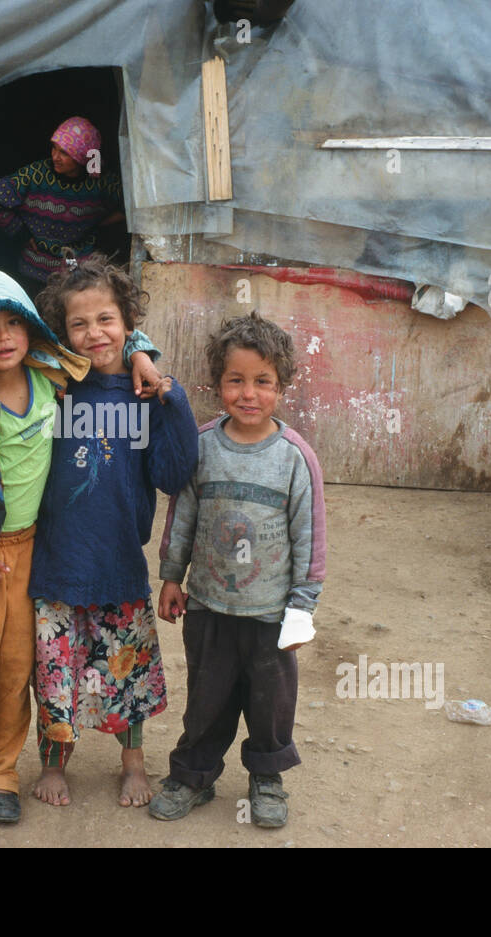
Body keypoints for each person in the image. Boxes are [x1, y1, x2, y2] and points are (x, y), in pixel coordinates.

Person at [0, 267, 158, 830]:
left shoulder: (51, 377)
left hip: (36, 555)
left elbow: (107, 340)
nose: (3, 338)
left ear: (30, 328)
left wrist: (144, 353)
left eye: (12, 324)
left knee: (18, 667)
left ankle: (1, 773)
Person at [28, 255, 198, 809]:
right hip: (57, 561)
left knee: (122, 669)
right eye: (79, 323)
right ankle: (56, 764)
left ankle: (133, 765)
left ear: (127, 324)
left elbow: (174, 474)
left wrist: (169, 395)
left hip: (119, 560)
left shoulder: (146, 394)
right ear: (62, 332)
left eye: (107, 319)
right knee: (56, 674)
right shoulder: (51, 384)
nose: (93, 332)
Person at [149, 310, 326, 829]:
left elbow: (309, 536)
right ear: (218, 383)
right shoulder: (202, 447)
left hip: (271, 612)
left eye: (262, 381)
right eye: (236, 380)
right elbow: (181, 517)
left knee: (270, 702)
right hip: (208, 603)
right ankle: (192, 775)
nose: (249, 394)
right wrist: (171, 577)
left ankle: (267, 777)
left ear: (282, 385)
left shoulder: (295, 459)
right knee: (206, 698)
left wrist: (302, 606)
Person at [0, 117, 125, 297]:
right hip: (34, 269)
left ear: (81, 157)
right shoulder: (36, 174)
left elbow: (132, 206)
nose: (55, 157)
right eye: (54, 148)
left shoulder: (101, 182)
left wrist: (99, 223)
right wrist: (19, 231)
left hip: (78, 269)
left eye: (64, 153)